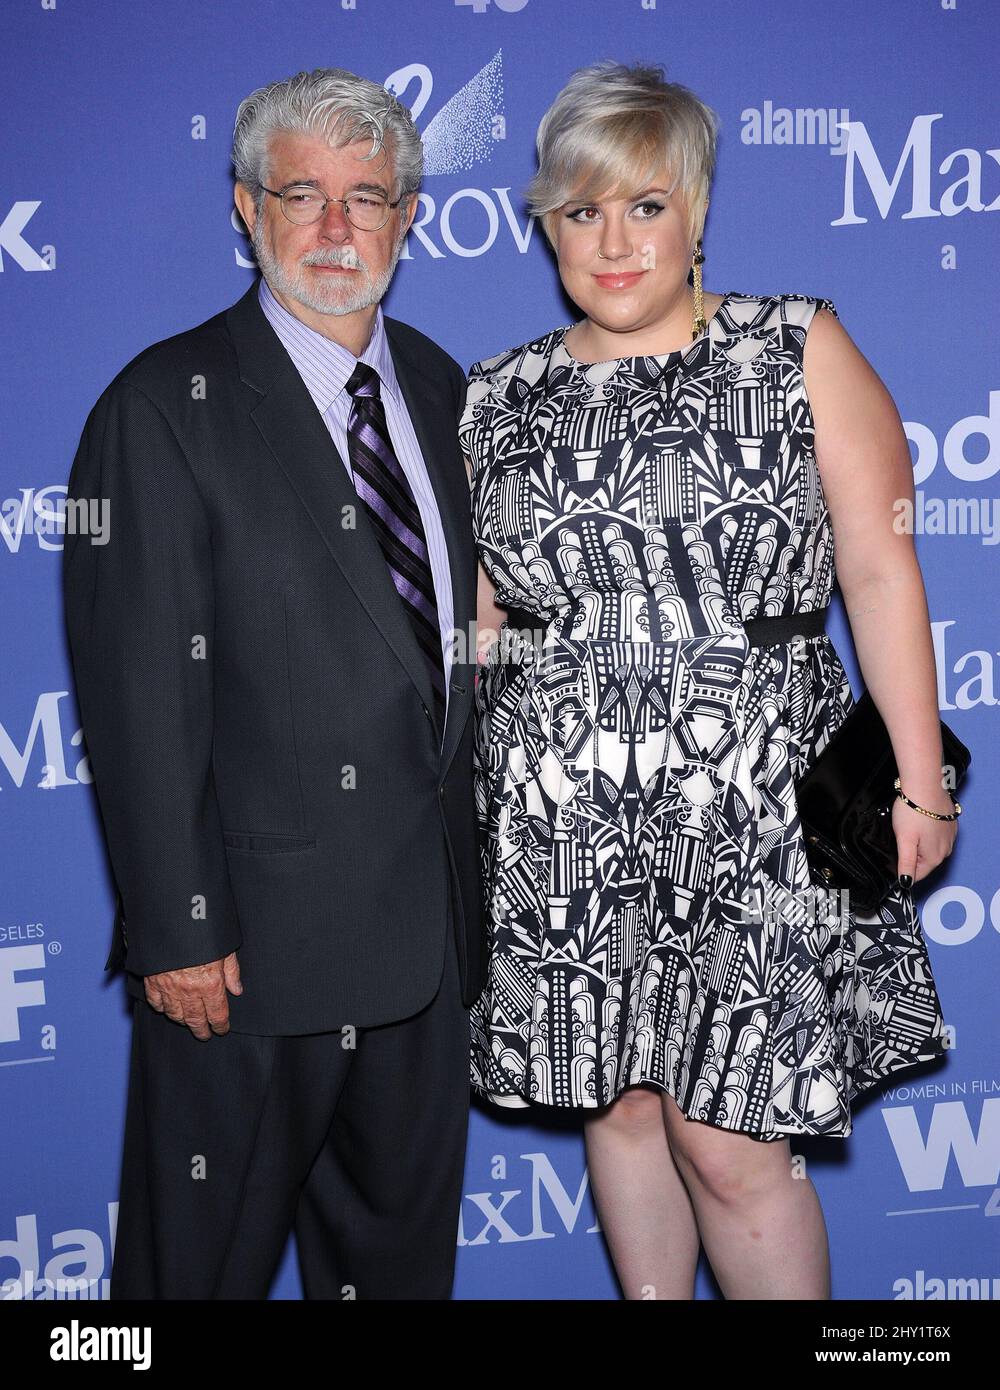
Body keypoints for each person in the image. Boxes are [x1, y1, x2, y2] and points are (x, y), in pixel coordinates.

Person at [460, 60, 957, 1301]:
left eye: (643, 205)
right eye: (581, 212)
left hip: (749, 815)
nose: (613, 240)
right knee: (620, 1110)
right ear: (547, 227)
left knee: (733, 1144)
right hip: (561, 822)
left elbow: (880, 574)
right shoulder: (494, 395)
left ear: (695, 211)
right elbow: (481, 627)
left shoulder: (791, 344)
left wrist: (918, 782)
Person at [62, 67, 484, 1300]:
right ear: (246, 209)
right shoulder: (162, 405)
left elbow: (456, 650)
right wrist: (179, 928)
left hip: (423, 953)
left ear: (410, 218)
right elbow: (137, 689)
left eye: (368, 197)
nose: (336, 228)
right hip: (244, 968)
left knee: (396, 1279)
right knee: (184, 1285)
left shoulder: (444, 387)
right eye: (303, 193)